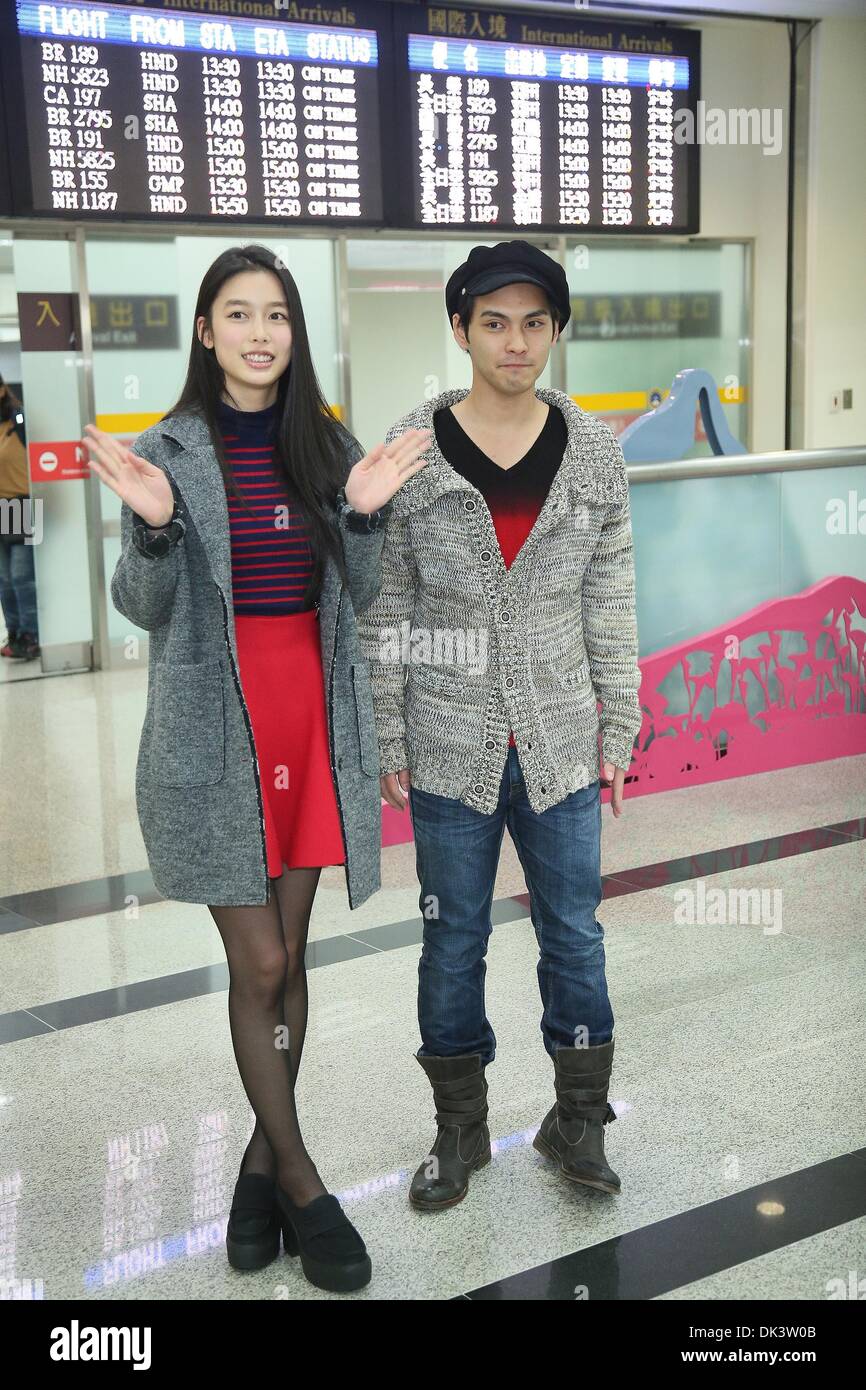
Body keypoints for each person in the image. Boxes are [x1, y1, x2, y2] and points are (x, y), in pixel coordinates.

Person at [81, 243, 430, 1291]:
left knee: (289, 951)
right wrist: (149, 534)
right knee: (263, 964)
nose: (259, 332)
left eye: (275, 313)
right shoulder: (170, 450)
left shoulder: (326, 444)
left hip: (309, 715)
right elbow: (143, 609)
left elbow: (358, 593)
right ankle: (305, 1182)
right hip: (220, 724)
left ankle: (256, 1166)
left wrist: (362, 510)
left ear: (294, 331)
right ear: (205, 332)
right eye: (237, 314)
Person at [356, 240, 643, 1212]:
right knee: (451, 940)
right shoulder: (411, 447)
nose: (514, 342)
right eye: (493, 322)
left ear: (553, 330)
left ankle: (578, 1119)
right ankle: (459, 1129)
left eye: (533, 322)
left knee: (574, 936)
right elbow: (385, 604)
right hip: (446, 746)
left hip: (562, 740)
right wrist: (389, 735)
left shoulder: (595, 451)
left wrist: (621, 723)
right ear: (460, 328)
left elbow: (608, 595)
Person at [0, 375, 40, 662]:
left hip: (22, 503)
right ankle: (14, 633)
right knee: (3, 579)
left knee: (21, 576)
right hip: (1, 506)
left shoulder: (20, 422)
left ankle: (32, 634)